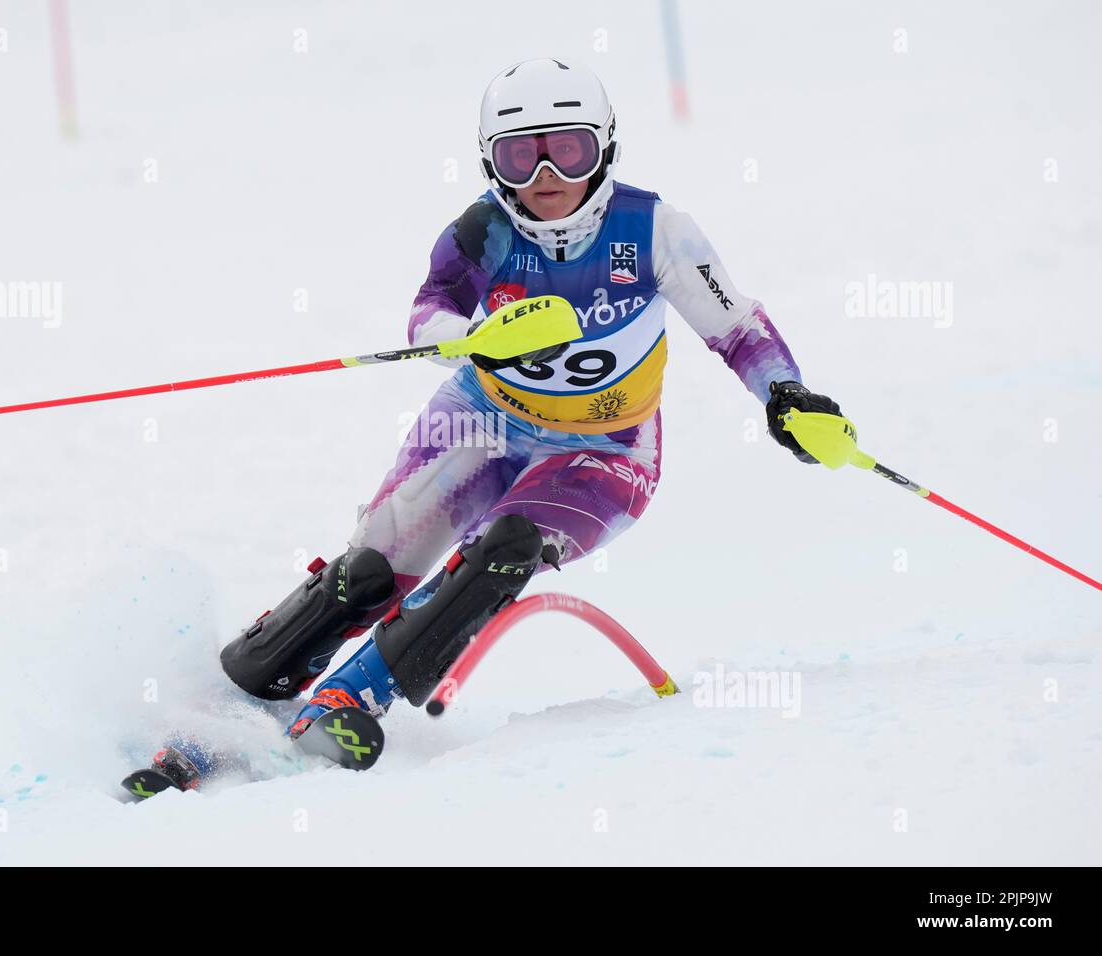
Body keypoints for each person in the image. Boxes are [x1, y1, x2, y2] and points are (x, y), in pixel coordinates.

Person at [210, 58, 842, 773]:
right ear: (492, 162)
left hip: (607, 448)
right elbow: (430, 312)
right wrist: (465, 341)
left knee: (507, 546)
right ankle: (251, 675)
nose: (546, 174)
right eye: (521, 155)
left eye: (567, 149)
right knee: (377, 565)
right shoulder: (480, 231)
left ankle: (352, 698)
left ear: (604, 147)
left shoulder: (656, 229)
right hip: (482, 420)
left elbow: (737, 328)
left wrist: (786, 397)